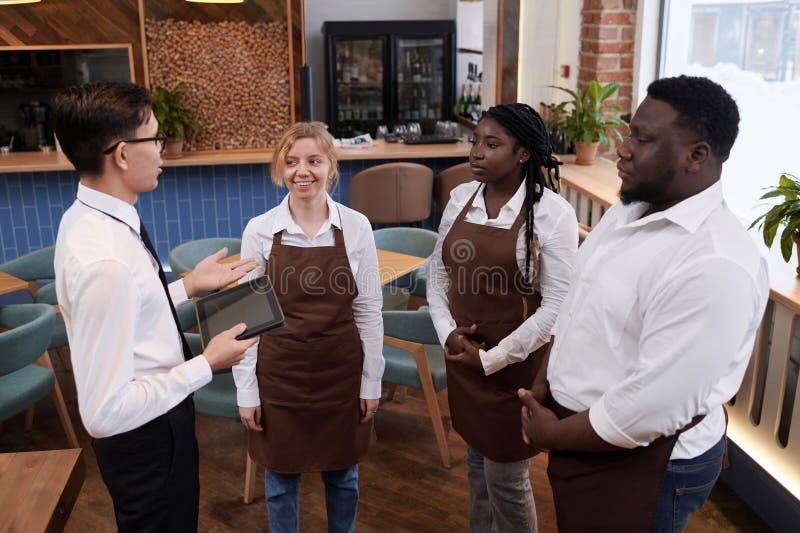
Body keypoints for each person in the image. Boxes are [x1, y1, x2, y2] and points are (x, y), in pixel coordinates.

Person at [518, 75, 770, 532]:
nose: (624, 150)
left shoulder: (715, 263)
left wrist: (554, 433)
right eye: (628, 133)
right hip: (584, 438)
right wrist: (546, 379)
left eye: (643, 138)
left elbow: (652, 407)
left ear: (697, 155)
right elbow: (582, 303)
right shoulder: (630, 209)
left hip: (650, 463)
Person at [52, 81, 259, 533]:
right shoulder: (104, 259)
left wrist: (186, 286)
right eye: (157, 139)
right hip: (145, 436)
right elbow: (105, 413)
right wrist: (207, 364)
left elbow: (131, 307)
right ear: (122, 154)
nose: (164, 151)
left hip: (160, 416)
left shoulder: (93, 216)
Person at [427, 103, 578, 532]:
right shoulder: (460, 198)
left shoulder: (551, 214)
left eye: (491, 144)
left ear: (523, 153)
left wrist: (493, 360)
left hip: (514, 371)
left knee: (506, 480)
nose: (476, 152)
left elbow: (557, 306)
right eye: (475, 141)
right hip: (463, 360)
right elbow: (438, 274)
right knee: (477, 470)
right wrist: (448, 336)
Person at [234, 121, 384, 533]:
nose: (303, 171)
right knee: (280, 481)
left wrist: (371, 382)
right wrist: (247, 390)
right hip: (280, 374)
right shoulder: (260, 231)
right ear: (280, 169)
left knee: (344, 478)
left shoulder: (356, 228)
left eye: (314, 160)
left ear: (331, 167)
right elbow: (247, 320)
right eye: (292, 161)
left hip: (341, 371)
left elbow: (369, 310)